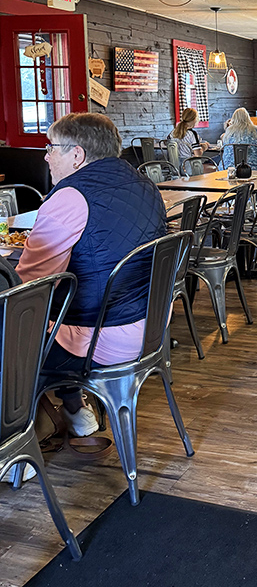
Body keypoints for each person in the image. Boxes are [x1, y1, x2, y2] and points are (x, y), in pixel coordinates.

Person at [16, 113, 167, 438]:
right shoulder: (146, 185)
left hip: (99, 338)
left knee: (12, 332)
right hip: (150, 325)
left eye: (50, 147)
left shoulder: (70, 197)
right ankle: (74, 408)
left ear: (77, 155)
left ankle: (19, 441)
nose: (45, 156)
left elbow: (29, 285)